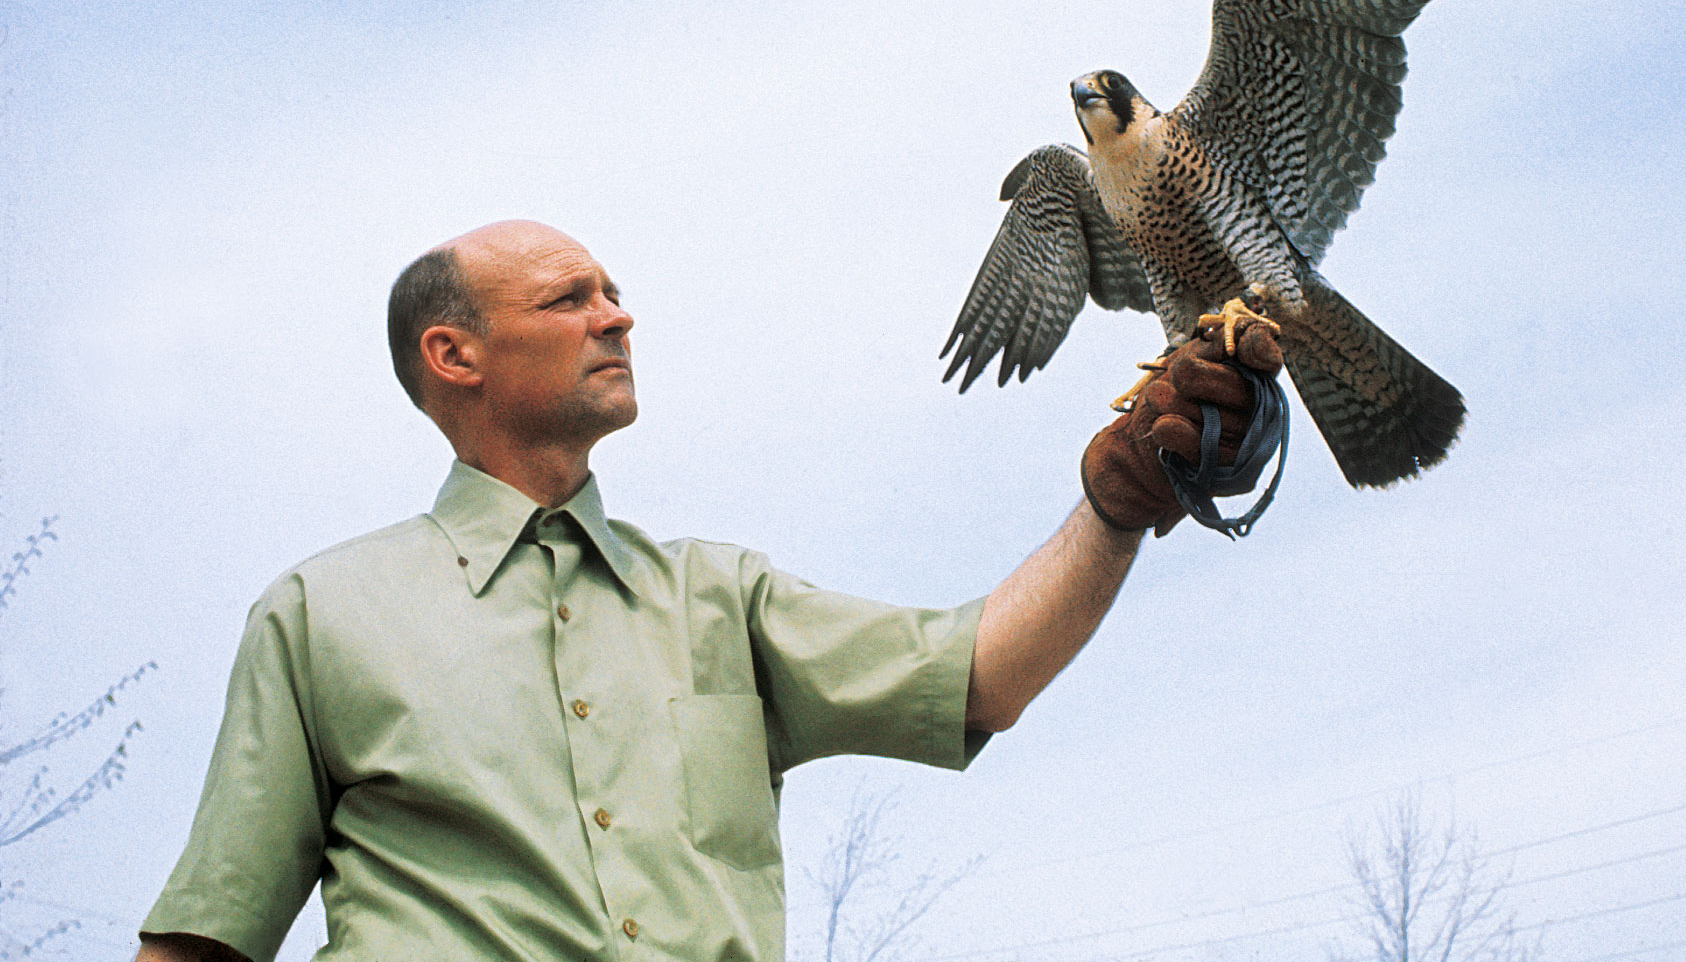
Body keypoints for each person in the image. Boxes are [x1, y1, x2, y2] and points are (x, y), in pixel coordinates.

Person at [136, 220, 1282, 962]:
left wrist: (1118, 503)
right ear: (454, 354)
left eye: (613, 291)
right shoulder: (321, 612)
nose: (617, 314)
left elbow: (977, 672)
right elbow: (203, 942)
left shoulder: (720, 598)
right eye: (568, 298)